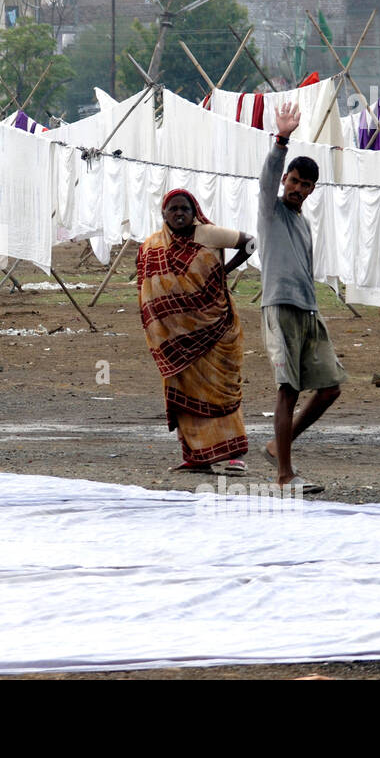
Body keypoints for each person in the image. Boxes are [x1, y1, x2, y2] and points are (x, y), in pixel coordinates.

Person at [257, 103, 346, 493]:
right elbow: (266, 179)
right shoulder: (270, 211)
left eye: (304, 185)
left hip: (309, 311)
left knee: (330, 388)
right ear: (286, 181)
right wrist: (282, 139)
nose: (296, 188)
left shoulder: (304, 223)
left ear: (312, 190)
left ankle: (280, 445)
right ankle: (284, 475)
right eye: (292, 181)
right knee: (288, 391)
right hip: (279, 308)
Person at [137, 188, 255, 474]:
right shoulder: (151, 246)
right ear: (163, 214)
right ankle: (196, 457)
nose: (179, 214)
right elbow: (146, 287)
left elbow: (250, 243)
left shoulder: (209, 235)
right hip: (175, 338)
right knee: (183, 390)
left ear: (195, 213)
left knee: (221, 392)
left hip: (216, 330)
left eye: (184, 209)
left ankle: (232, 455)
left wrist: (224, 271)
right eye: (173, 209)